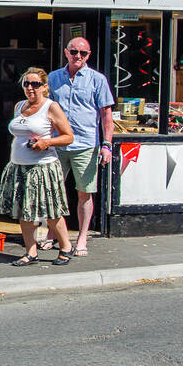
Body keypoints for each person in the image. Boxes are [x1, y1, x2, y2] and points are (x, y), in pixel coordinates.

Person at [0, 68, 76, 266]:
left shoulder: (51, 107)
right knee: (24, 211)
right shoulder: (19, 106)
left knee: (50, 211)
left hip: (43, 167)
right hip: (19, 166)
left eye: (35, 84)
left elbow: (68, 136)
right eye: (26, 84)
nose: (30, 88)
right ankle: (30, 252)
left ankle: (66, 246)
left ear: (44, 87)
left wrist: (47, 142)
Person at [48, 38, 114, 256]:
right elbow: (44, 110)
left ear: (89, 55)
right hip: (57, 142)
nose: (78, 56)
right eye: (74, 51)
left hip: (86, 143)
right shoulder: (53, 77)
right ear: (66, 52)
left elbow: (106, 115)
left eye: (83, 53)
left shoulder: (97, 79)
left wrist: (107, 145)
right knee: (54, 191)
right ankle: (53, 233)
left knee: (84, 192)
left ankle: (82, 237)